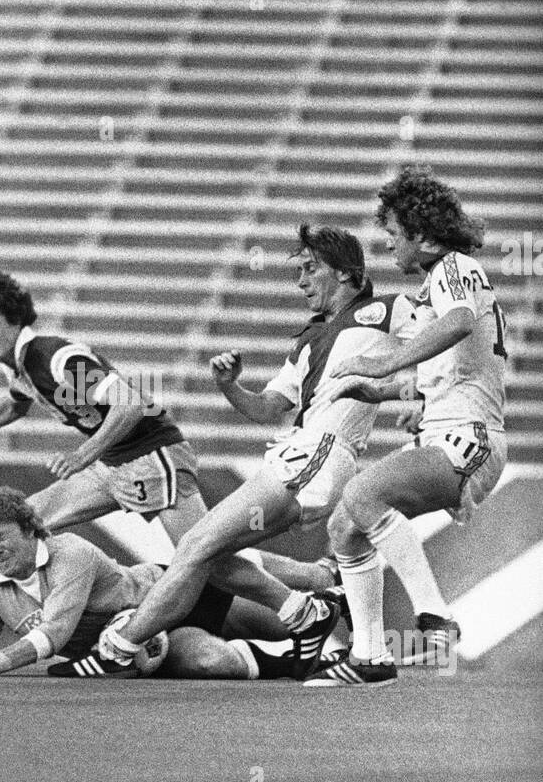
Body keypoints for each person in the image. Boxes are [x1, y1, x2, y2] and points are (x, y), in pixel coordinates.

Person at [0, 270, 338, 628]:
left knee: (208, 556)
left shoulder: (50, 356)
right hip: (115, 463)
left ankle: (306, 604)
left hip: (152, 457)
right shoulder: (24, 368)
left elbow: (131, 402)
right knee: (27, 519)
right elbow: (13, 402)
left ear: (14, 321)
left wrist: (84, 454)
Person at [96, 225, 416, 673]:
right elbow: (267, 408)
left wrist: (415, 396)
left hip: (321, 452)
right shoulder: (309, 337)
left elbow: (441, 341)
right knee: (211, 551)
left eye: (310, 269)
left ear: (346, 274)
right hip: (295, 450)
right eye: (299, 270)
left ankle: (120, 647)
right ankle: (311, 606)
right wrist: (230, 387)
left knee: (198, 543)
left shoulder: (387, 309)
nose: (301, 281)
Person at [303, 164, 507, 687]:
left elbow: (461, 321)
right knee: (344, 528)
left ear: (422, 234)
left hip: (471, 436)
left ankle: (435, 620)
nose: (390, 246)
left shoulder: (455, 268)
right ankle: (370, 656)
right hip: (446, 431)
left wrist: (384, 364)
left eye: (394, 234)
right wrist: (384, 390)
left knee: (363, 492)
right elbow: (452, 361)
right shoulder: (434, 286)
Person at [0, 487, 340, 681]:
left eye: (1, 537)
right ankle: (301, 665)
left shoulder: (69, 553)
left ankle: (339, 600)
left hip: (171, 598)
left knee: (282, 620)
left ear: (29, 530)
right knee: (213, 663)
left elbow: (55, 633)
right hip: (136, 647)